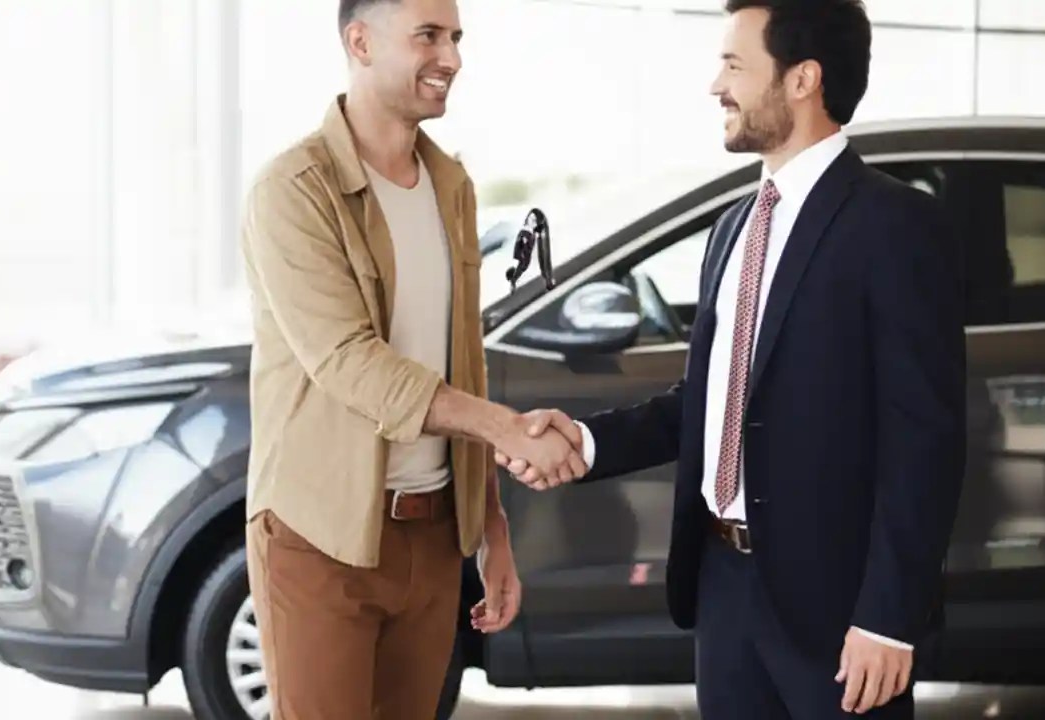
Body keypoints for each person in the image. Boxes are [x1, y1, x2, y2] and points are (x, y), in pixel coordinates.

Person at [498, 1, 966, 717]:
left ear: (803, 78)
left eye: (734, 65)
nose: (716, 86)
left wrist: (887, 617)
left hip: (838, 612)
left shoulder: (893, 227)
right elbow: (710, 404)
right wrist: (587, 442)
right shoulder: (732, 230)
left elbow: (923, 443)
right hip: (724, 592)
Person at [238, 0, 587, 717]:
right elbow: (348, 360)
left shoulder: (450, 185)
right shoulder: (292, 191)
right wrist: (504, 427)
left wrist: (490, 528)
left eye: (456, 37)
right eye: (428, 35)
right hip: (320, 535)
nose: (452, 58)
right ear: (359, 41)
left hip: (431, 539)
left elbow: (465, 362)